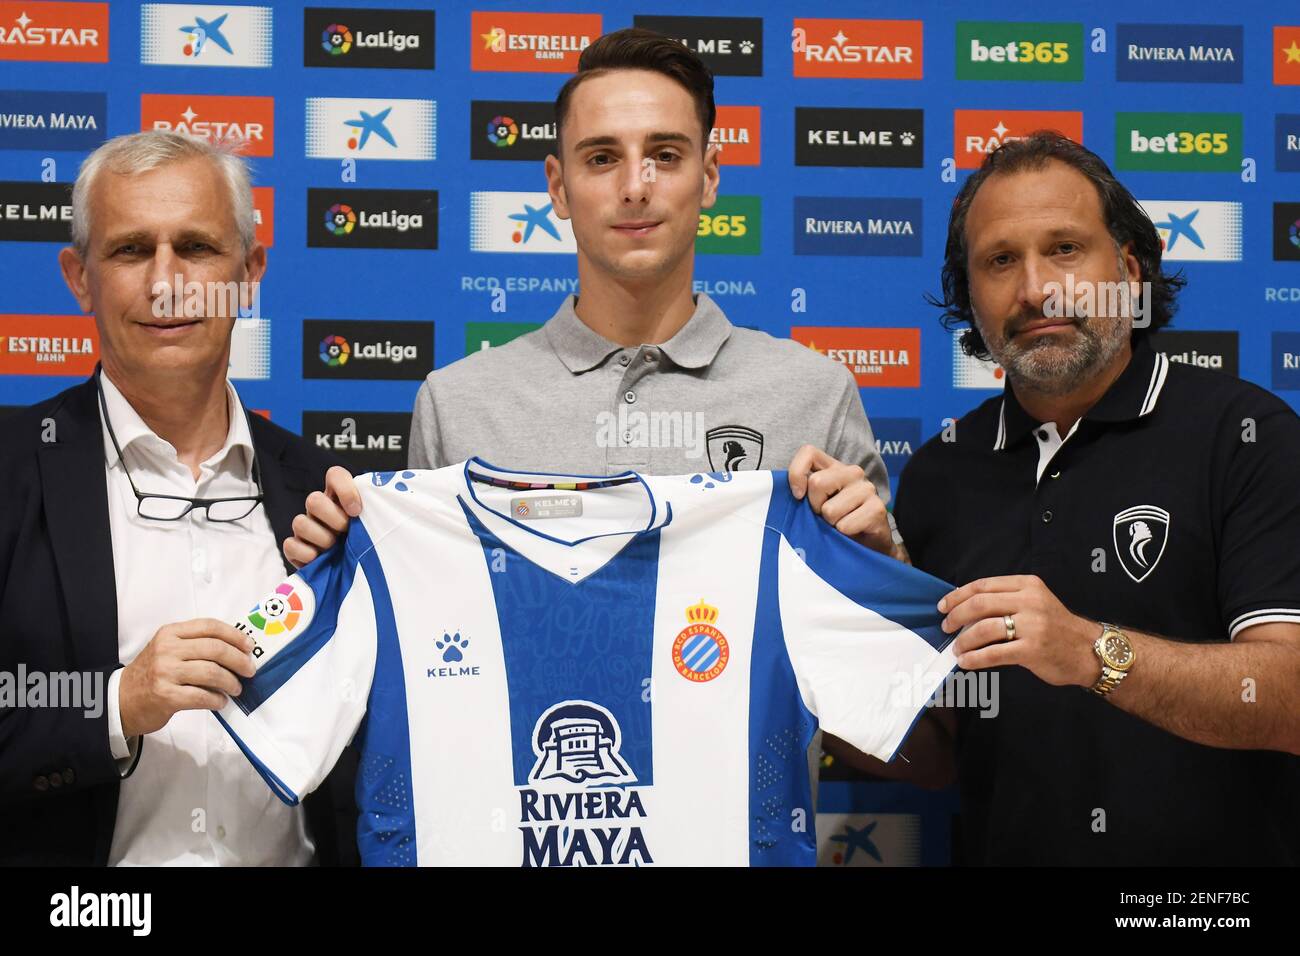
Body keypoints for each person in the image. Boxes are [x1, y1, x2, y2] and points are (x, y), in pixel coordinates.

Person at [286, 28, 901, 573]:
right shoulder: (457, 405)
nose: (636, 187)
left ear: (709, 177)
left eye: (665, 155)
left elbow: (885, 653)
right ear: (558, 186)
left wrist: (877, 558)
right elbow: (419, 630)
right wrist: (345, 571)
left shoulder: (815, 395)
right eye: (603, 158)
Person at [894, 131, 1300, 864]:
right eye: (999, 261)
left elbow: (1292, 697)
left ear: (1131, 272)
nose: (1036, 289)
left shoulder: (1246, 437)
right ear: (970, 298)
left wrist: (1089, 653)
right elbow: (941, 755)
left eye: (1066, 250)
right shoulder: (938, 475)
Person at [0, 131, 356, 866]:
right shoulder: (9, 468)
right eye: (131, 250)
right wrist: (114, 706)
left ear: (250, 272)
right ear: (79, 277)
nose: (166, 283)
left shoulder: (329, 498)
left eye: (196, 248)